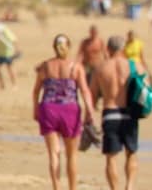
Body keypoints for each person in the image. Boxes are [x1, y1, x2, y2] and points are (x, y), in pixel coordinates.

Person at [33, 35, 95, 190]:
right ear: (69, 46)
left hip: (48, 109)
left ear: (54, 47)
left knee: (54, 153)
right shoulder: (76, 67)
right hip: (70, 111)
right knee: (72, 155)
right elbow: (85, 91)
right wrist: (90, 111)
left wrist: (35, 108)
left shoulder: (45, 66)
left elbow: (36, 91)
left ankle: (56, 187)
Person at [92, 36, 143, 190]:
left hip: (110, 112)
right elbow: (146, 90)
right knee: (131, 153)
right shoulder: (135, 66)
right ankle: (129, 186)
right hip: (130, 114)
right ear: (123, 49)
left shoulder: (101, 68)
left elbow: (93, 94)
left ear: (108, 49)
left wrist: (91, 114)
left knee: (111, 157)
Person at [0, 20, 20, 90]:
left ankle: (15, 85)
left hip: (8, 53)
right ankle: (2, 84)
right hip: (0, 53)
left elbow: (14, 40)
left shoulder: (5, 31)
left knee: (10, 69)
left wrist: (16, 50)